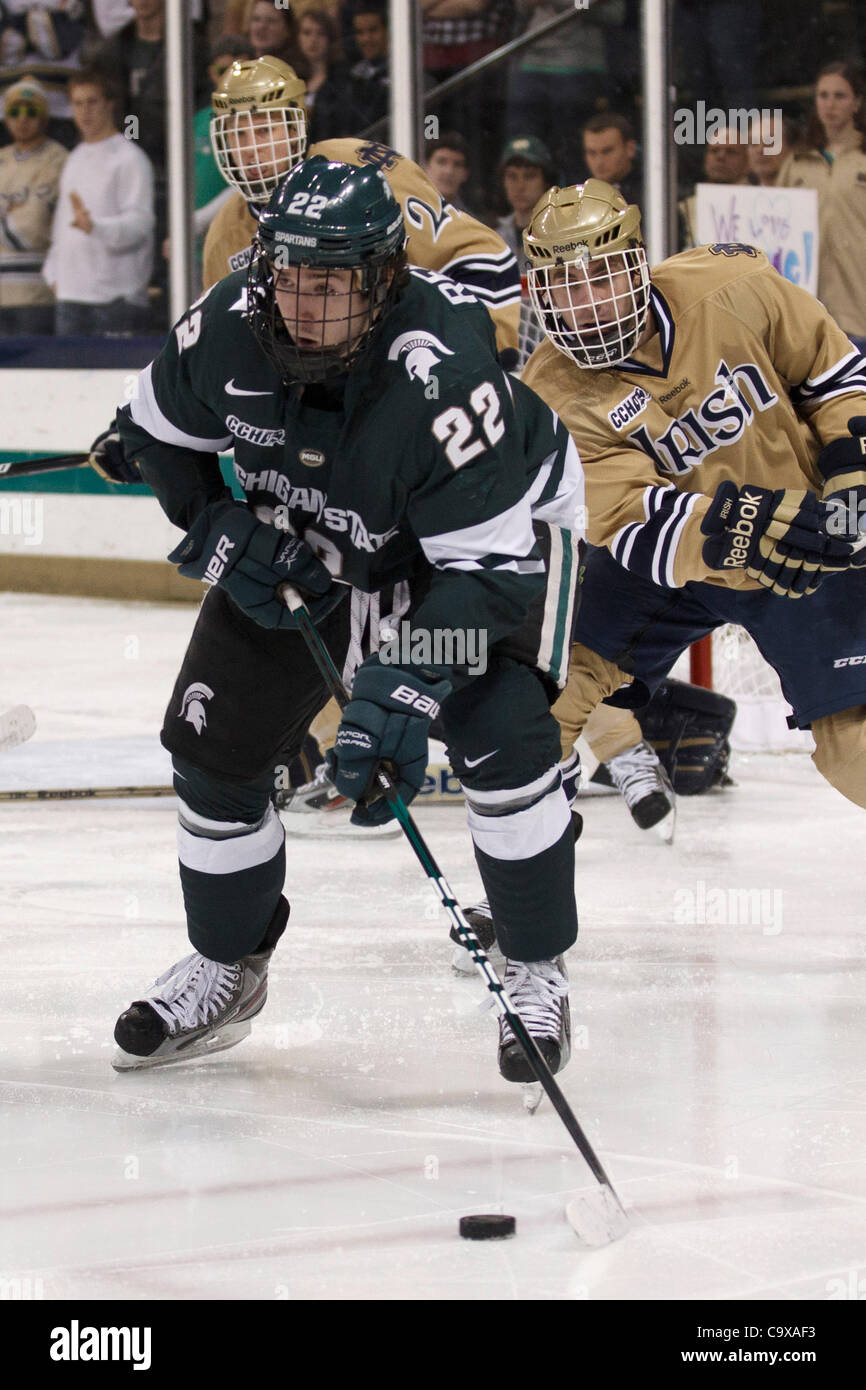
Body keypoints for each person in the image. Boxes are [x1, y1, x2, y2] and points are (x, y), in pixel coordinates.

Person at [111, 156, 582, 1084]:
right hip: (320, 531)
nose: (304, 303)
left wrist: (399, 687)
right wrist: (220, 530)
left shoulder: (443, 370)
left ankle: (533, 966)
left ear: (384, 280)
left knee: (502, 736)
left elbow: (485, 579)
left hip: (484, 547)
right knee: (212, 748)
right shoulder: (227, 323)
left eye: (331, 282)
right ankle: (226, 964)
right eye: (289, 274)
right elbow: (157, 438)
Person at [514, 179, 866, 837]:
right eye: (564, 287)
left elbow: (834, 371)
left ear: (637, 265)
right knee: (537, 707)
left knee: (853, 749)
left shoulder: (731, 284)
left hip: (810, 536)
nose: (585, 306)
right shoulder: (549, 392)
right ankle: (521, 897)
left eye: (600, 280)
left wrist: (853, 475)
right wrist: (746, 529)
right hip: (677, 559)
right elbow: (630, 518)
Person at [203, 56, 520, 360]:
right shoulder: (225, 234)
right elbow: (230, 347)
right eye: (237, 135)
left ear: (294, 127)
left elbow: (483, 258)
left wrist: (480, 359)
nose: (251, 150)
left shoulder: (361, 173)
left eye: (263, 130)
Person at [42, 67, 154, 334]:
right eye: (78, 103)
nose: (85, 111)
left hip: (115, 300)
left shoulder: (130, 158)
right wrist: (53, 274)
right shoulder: (74, 158)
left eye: (92, 102)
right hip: (69, 298)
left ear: (110, 104)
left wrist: (96, 226)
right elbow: (62, 227)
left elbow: (141, 224)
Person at [777, 62, 866, 350]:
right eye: (823, 95)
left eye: (840, 96)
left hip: (859, 304)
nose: (830, 104)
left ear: (857, 103)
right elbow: (777, 229)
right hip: (808, 311)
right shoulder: (798, 161)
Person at [0, 74, 66, 332]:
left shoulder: (57, 158)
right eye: (15, 111)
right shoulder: (2, 158)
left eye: (31, 111)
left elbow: (31, 231)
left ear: (45, 117)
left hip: (35, 297)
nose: (23, 118)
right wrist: (11, 214)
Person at [678, 124, 750, 248]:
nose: (720, 157)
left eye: (731, 152)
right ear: (705, 158)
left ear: (748, 160)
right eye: (714, 150)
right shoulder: (685, 206)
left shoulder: (757, 204)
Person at [295, 7, 357, 145]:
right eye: (307, 33)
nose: (313, 40)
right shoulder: (292, 80)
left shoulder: (343, 83)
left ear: (330, 39)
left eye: (320, 34)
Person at [495, 135, 556, 268]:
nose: (520, 186)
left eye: (529, 176)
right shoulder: (494, 239)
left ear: (546, 182)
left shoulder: (559, 235)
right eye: (512, 176)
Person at [582, 113, 641, 208]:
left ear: (630, 149)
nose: (599, 162)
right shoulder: (579, 195)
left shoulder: (651, 193)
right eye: (592, 153)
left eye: (607, 151)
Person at [348, 3, 389, 135]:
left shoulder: (406, 74)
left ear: (387, 31)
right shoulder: (350, 77)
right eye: (360, 32)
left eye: (373, 30)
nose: (366, 39)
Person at [423, 131, 474, 215]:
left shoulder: (472, 223)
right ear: (425, 167)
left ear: (465, 174)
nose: (449, 171)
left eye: (457, 164)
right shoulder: (404, 214)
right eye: (441, 162)